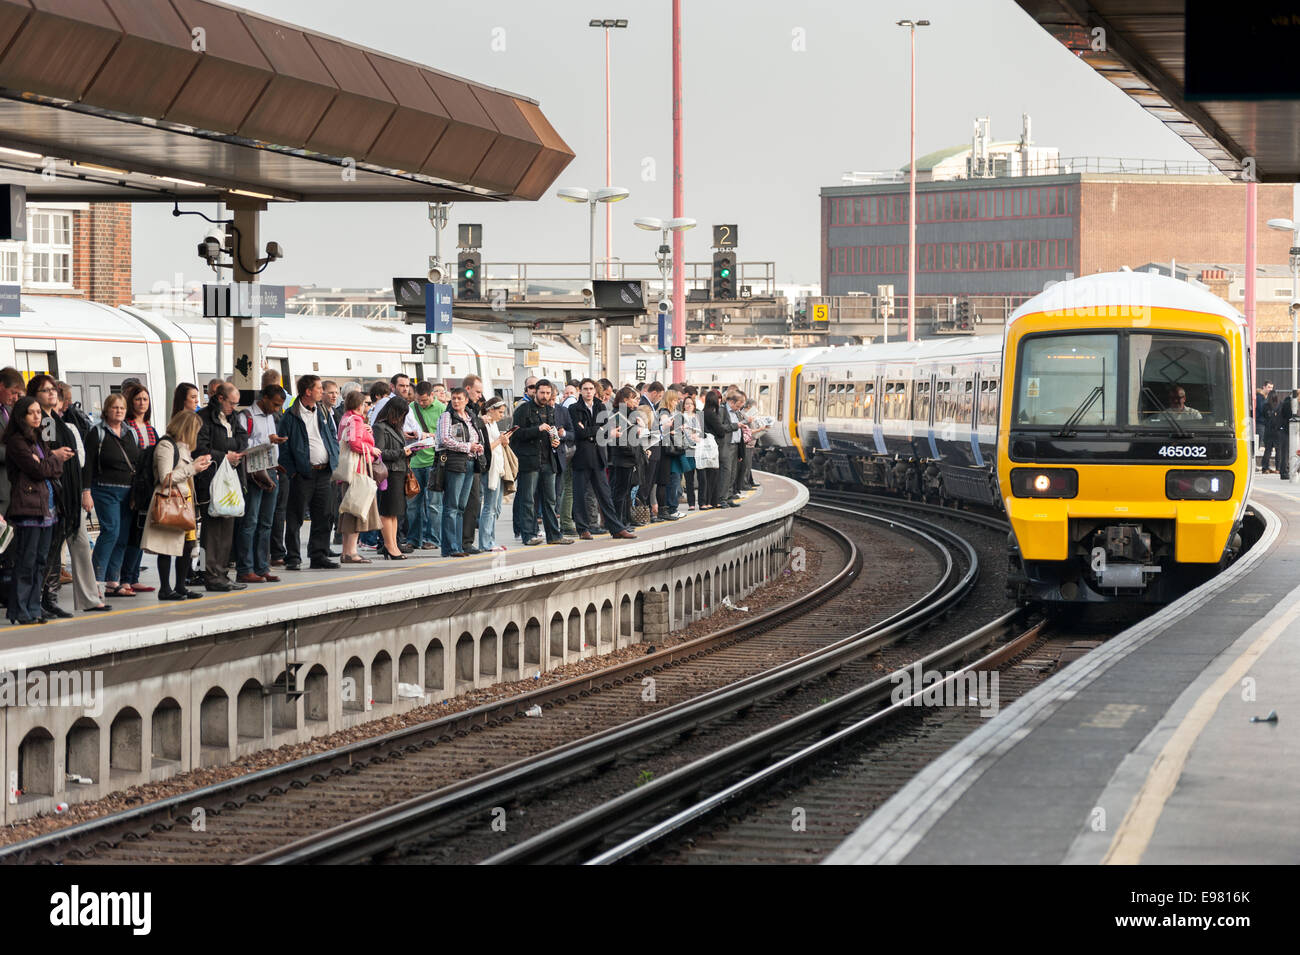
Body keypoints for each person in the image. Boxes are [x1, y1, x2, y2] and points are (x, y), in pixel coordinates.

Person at [31, 374, 103, 617]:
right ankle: (44, 600)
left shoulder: (57, 420)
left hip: (66, 491)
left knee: (54, 550)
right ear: (35, 396)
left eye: (53, 390)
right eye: (45, 391)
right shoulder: (46, 422)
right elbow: (47, 453)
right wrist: (57, 456)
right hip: (56, 492)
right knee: (50, 550)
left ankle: (50, 599)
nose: (52, 394)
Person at [4, 396, 74, 624]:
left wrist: (48, 463)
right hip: (29, 507)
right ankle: (19, 609)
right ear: (21, 416)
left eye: (38, 412)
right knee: (26, 560)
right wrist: (51, 463)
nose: (37, 416)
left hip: (48, 507)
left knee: (40, 561)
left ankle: (34, 608)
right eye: (32, 413)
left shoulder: (38, 439)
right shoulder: (16, 441)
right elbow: (36, 470)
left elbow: (49, 469)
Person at [142, 410, 211, 600]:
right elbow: (165, 477)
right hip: (169, 500)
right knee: (166, 546)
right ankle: (165, 588)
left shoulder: (184, 447)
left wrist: (196, 465)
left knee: (187, 546)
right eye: (194, 430)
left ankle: (180, 586)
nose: (196, 435)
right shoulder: (166, 445)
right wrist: (192, 468)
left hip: (184, 502)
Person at [83, 392, 141, 599]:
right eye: (115, 407)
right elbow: (87, 464)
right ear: (106, 410)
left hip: (128, 492)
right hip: (105, 489)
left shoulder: (130, 433)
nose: (119, 411)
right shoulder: (96, 433)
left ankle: (112, 581)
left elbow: (137, 461)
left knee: (123, 537)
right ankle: (95, 580)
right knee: (111, 532)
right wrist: (86, 491)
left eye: (122, 408)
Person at [278, 374, 340, 570]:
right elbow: (283, 446)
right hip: (302, 474)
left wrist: (334, 456)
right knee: (295, 516)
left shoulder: (322, 411)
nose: (322, 391)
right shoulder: (290, 415)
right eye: (319, 388)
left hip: (324, 472)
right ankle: (294, 557)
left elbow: (332, 435)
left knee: (324, 514)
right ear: (308, 391)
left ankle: (318, 555)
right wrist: (293, 471)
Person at [196, 382, 248, 591]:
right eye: (230, 403)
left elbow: (242, 438)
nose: (233, 408)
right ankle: (209, 574)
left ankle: (223, 573)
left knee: (227, 528)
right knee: (211, 531)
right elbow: (199, 448)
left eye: (236, 404)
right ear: (219, 398)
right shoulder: (203, 418)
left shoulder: (233, 418)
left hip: (230, 478)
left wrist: (235, 454)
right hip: (209, 478)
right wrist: (224, 455)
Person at [569, 378, 635, 541]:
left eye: (591, 388)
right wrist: (597, 431)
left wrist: (592, 431)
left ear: (595, 390)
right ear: (580, 391)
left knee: (605, 495)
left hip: (598, 456)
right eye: (585, 389)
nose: (588, 391)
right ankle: (583, 529)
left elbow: (606, 429)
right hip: (581, 457)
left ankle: (616, 528)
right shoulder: (574, 408)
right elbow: (579, 432)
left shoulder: (600, 406)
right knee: (580, 495)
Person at [235, 384, 288, 583]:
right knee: (250, 521)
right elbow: (242, 445)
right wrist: (267, 440)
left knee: (266, 523)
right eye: (274, 404)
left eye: (279, 406)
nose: (276, 409)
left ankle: (262, 566)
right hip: (254, 474)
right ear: (263, 397)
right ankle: (245, 568)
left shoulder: (271, 417)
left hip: (271, 470)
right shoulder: (246, 417)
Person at [511, 379, 572, 547]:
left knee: (550, 500)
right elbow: (515, 435)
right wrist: (536, 430)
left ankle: (554, 535)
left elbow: (552, 431)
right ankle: (529, 535)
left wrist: (556, 440)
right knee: (528, 500)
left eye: (548, 393)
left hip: (548, 461)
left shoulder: (550, 410)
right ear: (535, 392)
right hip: (529, 461)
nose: (545, 396)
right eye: (542, 392)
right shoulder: (523, 410)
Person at [119, 381, 159, 594]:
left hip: (147, 487)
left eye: (145, 399)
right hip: (131, 486)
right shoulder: (126, 427)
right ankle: (124, 577)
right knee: (128, 532)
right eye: (138, 399)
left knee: (140, 533)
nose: (142, 403)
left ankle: (133, 577)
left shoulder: (151, 428)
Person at [335, 390, 382, 564]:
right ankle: (351, 552)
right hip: (358, 470)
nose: (368, 407)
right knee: (356, 510)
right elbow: (354, 443)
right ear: (360, 405)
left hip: (349, 471)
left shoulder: (345, 418)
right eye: (366, 404)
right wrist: (372, 449)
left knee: (349, 510)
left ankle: (346, 551)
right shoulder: (355, 419)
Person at [437, 387, 484, 557]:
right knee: (451, 506)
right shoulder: (447, 417)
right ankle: (450, 547)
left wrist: (477, 447)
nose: (456, 401)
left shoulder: (470, 417)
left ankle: (458, 545)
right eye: (454, 398)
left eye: (459, 398)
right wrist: (467, 447)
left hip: (471, 463)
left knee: (461, 506)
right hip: (454, 463)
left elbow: (476, 437)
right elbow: (444, 439)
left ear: (466, 400)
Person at [404, 380, 444, 550]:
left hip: (433, 462)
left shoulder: (442, 409)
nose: (421, 403)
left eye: (425, 400)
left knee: (434, 504)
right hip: (415, 461)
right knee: (413, 504)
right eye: (419, 400)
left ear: (432, 396)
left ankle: (433, 539)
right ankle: (414, 538)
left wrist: (432, 436)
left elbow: (445, 433)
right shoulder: (411, 408)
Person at [373, 396, 414, 560]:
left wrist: (411, 450)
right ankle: (389, 546)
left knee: (395, 512)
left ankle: (393, 544)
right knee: (387, 511)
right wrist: (401, 453)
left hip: (399, 471)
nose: (402, 418)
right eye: (400, 414)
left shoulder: (396, 428)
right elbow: (379, 452)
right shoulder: (380, 427)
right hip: (388, 473)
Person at [475, 396, 513, 552]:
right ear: (490, 410)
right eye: (500, 412)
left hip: (497, 468)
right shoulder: (483, 424)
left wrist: (503, 441)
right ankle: (486, 542)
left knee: (496, 507)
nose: (502, 415)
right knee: (489, 507)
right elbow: (483, 447)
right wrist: (499, 440)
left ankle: (491, 540)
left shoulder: (494, 424)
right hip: (489, 469)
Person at [459, 374, 487, 555]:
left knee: (474, 501)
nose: (480, 396)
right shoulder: (459, 412)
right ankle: (464, 541)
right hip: (463, 461)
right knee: (467, 502)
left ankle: (466, 540)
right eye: (477, 392)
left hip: (474, 461)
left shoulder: (474, 410)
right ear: (467, 390)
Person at [607, 386, 641, 529]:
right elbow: (621, 440)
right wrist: (633, 452)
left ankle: (624, 522)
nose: (636, 401)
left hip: (628, 458)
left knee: (625, 492)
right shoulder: (618, 415)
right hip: (621, 458)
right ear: (625, 400)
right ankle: (618, 523)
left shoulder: (630, 414)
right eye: (633, 398)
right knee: (619, 492)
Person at [655, 388, 684, 520]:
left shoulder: (669, 411)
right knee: (669, 480)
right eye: (674, 400)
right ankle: (668, 509)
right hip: (666, 450)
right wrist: (672, 428)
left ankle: (669, 508)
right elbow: (664, 423)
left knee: (671, 480)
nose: (676, 403)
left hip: (668, 450)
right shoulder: (664, 411)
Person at [701, 389, 732, 508]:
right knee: (713, 474)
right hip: (712, 446)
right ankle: (713, 502)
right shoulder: (711, 414)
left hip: (705, 446)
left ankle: (707, 502)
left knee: (707, 475)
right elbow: (721, 431)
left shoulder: (702, 412)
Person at [677, 393, 702, 510]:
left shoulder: (698, 417)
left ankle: (702, 501)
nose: (689, 405)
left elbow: (702, 433)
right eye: (687, 404)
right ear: (683, 405)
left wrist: (698, 437)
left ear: (694, 405)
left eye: (691, 404)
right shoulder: (680, 417)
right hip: (687, 450)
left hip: (698, 450)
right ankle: (691, 503)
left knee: (702, 477)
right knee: (689, 478)